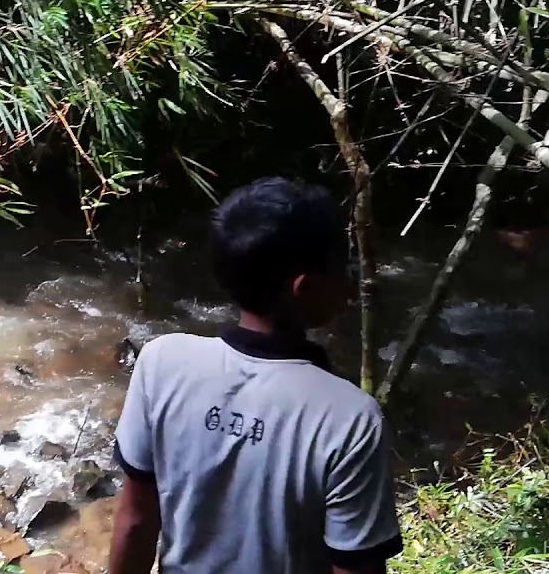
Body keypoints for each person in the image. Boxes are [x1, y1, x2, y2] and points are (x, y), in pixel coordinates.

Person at [109, 177, 403, 574]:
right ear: (306, 287)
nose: (348, 284)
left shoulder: (161, 362)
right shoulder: (350, 418)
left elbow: (136, 522)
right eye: (342, 268)